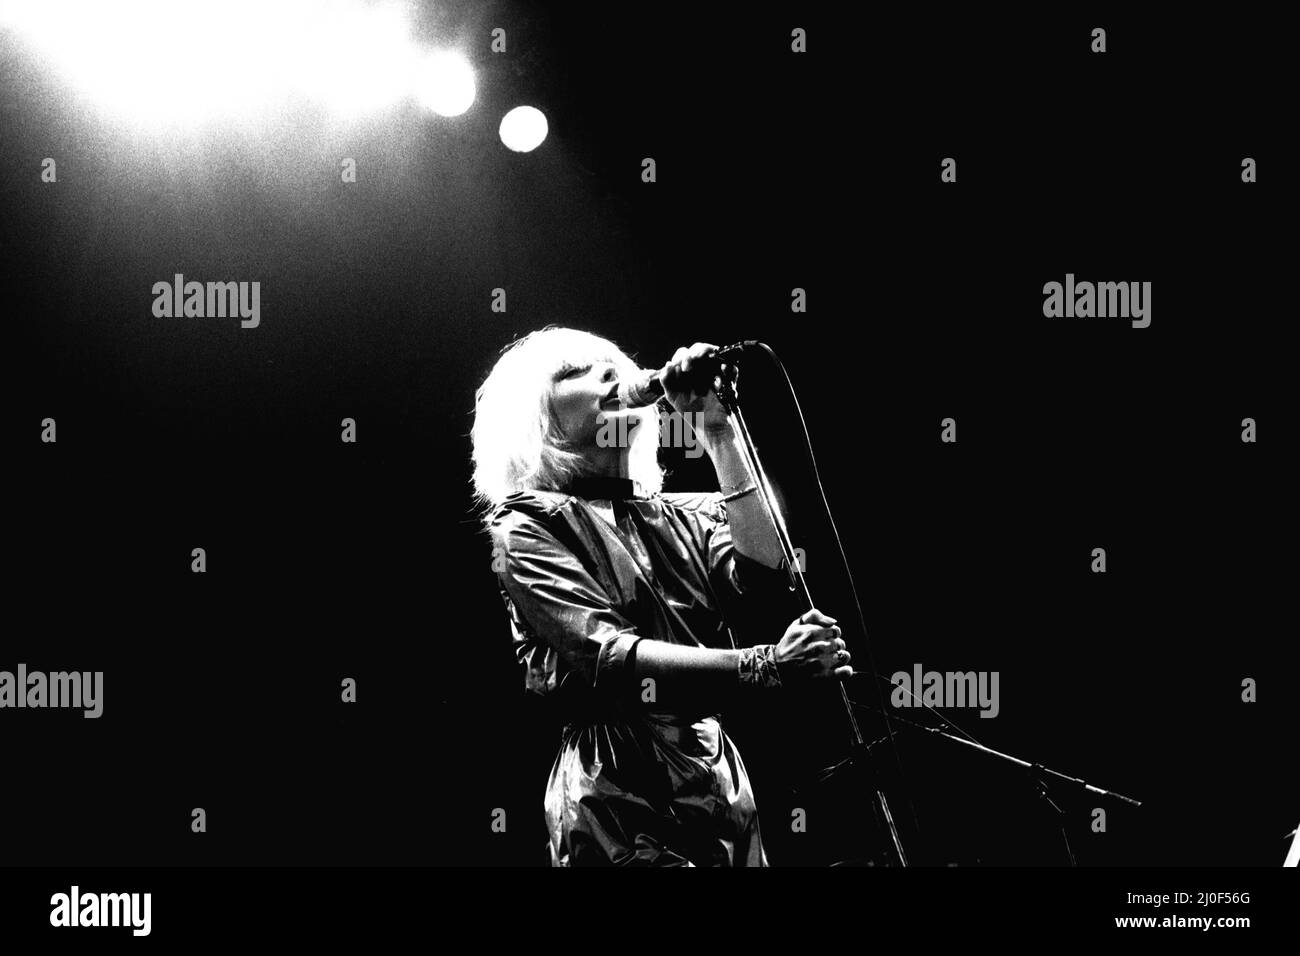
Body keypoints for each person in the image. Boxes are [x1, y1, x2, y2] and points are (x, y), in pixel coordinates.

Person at [471, 326, 852, 866]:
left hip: (714, 777)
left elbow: (769, 573)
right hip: (616, 791)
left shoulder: (685, 514)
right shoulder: (527, 525)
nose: (609, 374)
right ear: (536, 420)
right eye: (574, 371)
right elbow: (611, 656)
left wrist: (719, 432)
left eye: (613, 365)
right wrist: (765, 666)